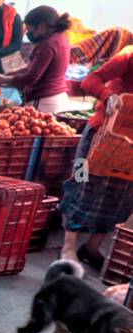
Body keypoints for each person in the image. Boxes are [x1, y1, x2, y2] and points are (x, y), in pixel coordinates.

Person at [59, 43, 133, 268]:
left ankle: (91, 247)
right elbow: (90, 80)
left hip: (128, 148)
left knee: (121, 197)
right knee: (80, 182)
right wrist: (108, 96)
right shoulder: (128, 56)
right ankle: (68, 248)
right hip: (97, 134)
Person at [0, 6, 70, 112]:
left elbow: (31, 78)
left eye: (30, 30)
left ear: (42, 26)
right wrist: (8, 75)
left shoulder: (47, 46)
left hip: (44, 100)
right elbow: (32, 68)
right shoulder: (60, 38)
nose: (29, 34)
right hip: (56, 98)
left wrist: (2, 79)